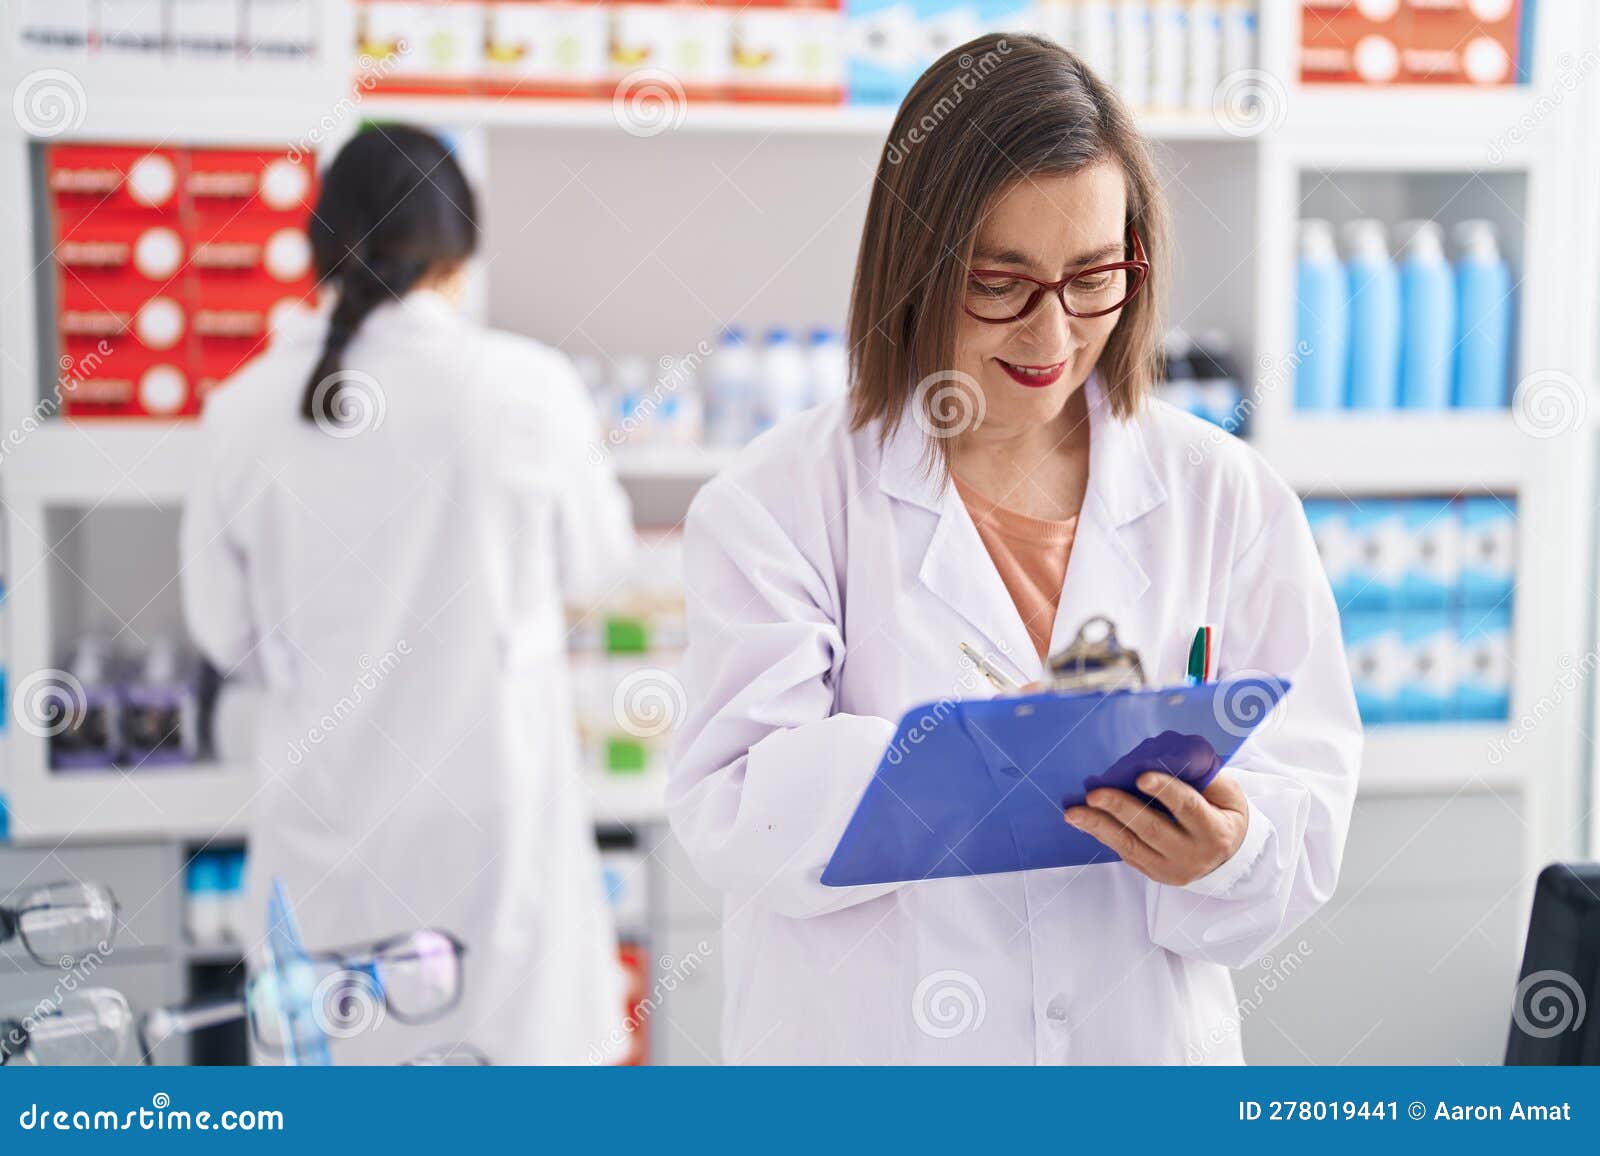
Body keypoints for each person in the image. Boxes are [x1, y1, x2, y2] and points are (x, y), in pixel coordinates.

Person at [667, 35, 1362, 1064]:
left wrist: (1230, 849)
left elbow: (1306, 801)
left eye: (1092, 277)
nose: (1051, 334)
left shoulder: (1226, 494)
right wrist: (967, 759)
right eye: (1001, 282)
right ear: (916, 261)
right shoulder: (778, 500)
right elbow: (731, 808)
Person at [180, 125, 634, 1064]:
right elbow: (598, 570)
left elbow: (225, 637)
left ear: (319, 247)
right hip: (498, 845)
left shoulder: (244, 409)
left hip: (327, 843)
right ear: (459, 251)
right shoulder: (528, 389)